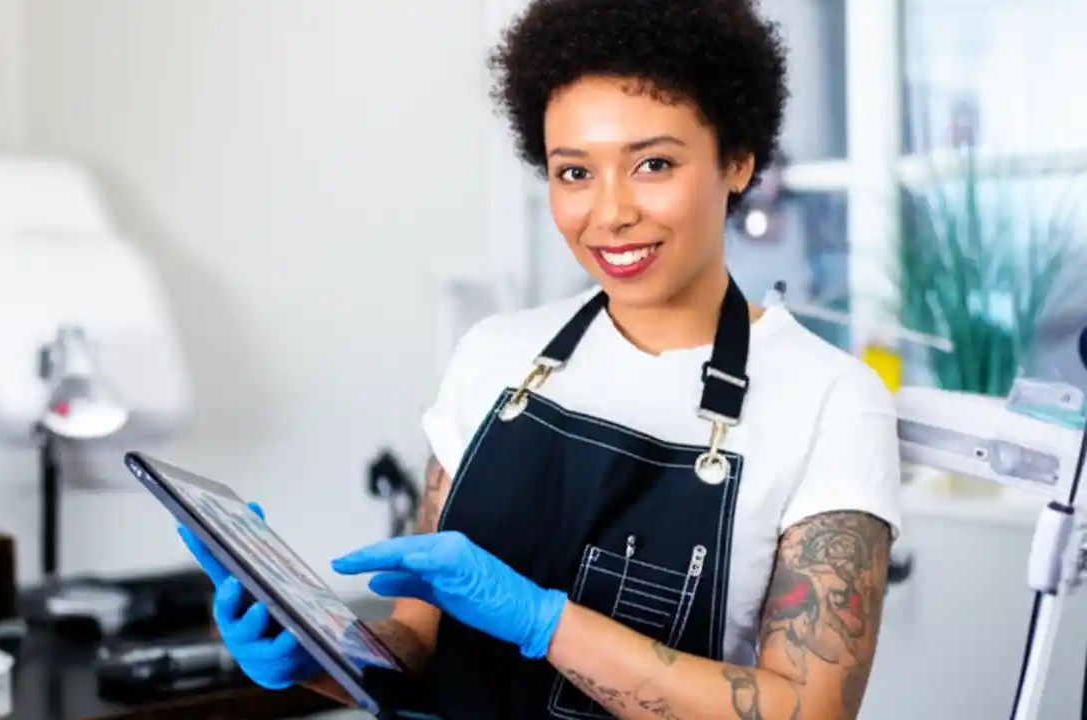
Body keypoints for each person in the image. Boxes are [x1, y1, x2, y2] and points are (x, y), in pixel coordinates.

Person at [180, 0, 901, 717]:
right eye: (575, 173)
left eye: (653, 164)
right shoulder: (494, 357)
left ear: (737, 161)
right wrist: (314, 652)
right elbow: (419, 647)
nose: (610, 213)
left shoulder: (830, 400)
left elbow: (809, 711)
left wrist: (543, 622)